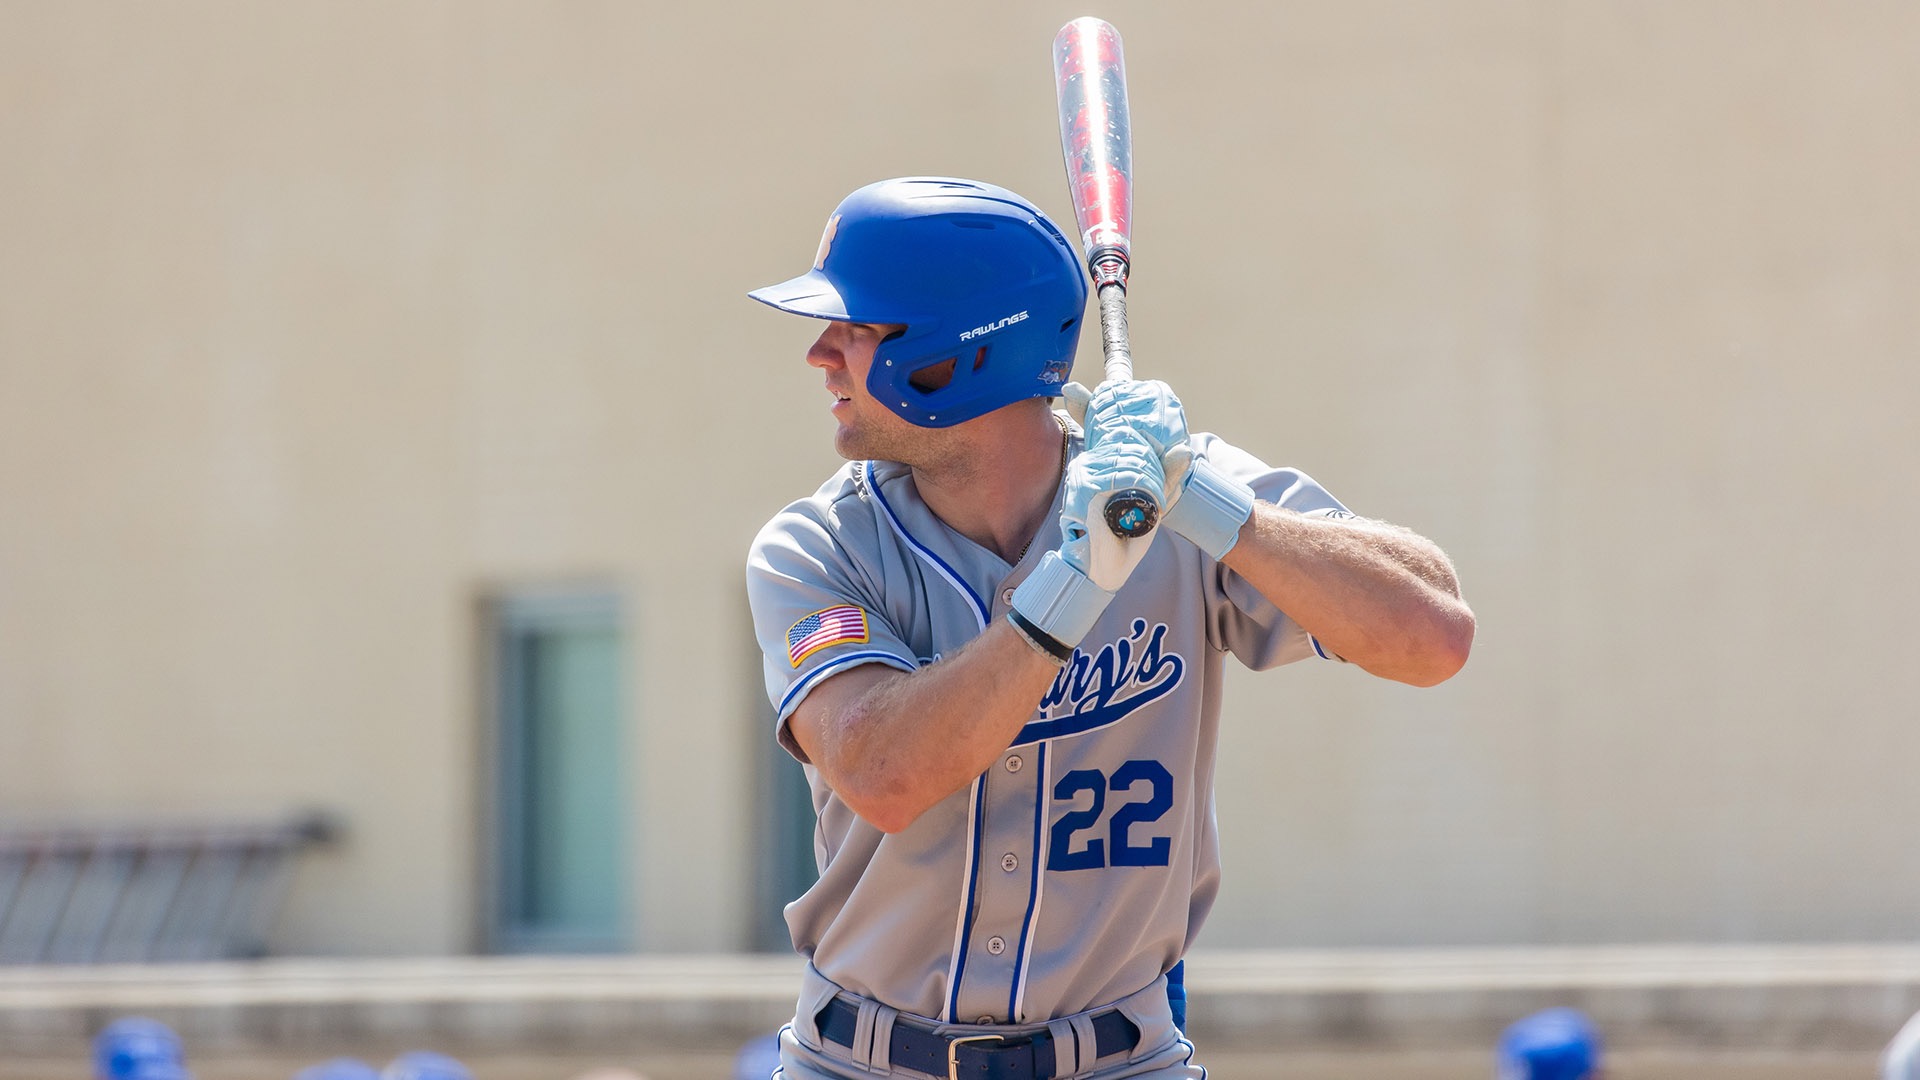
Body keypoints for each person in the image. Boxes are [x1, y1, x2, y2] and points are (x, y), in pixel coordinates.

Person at [745, 176, 1473, 1079]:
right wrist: (1072, 589)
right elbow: (884, 774)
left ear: (960, 350)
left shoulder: (1166, 486)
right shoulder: (818, 545)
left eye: (860, 328)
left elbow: (1434, 633)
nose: (822, 353)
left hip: (1121, 1061)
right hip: (864, 1062)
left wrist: (1210, 505)